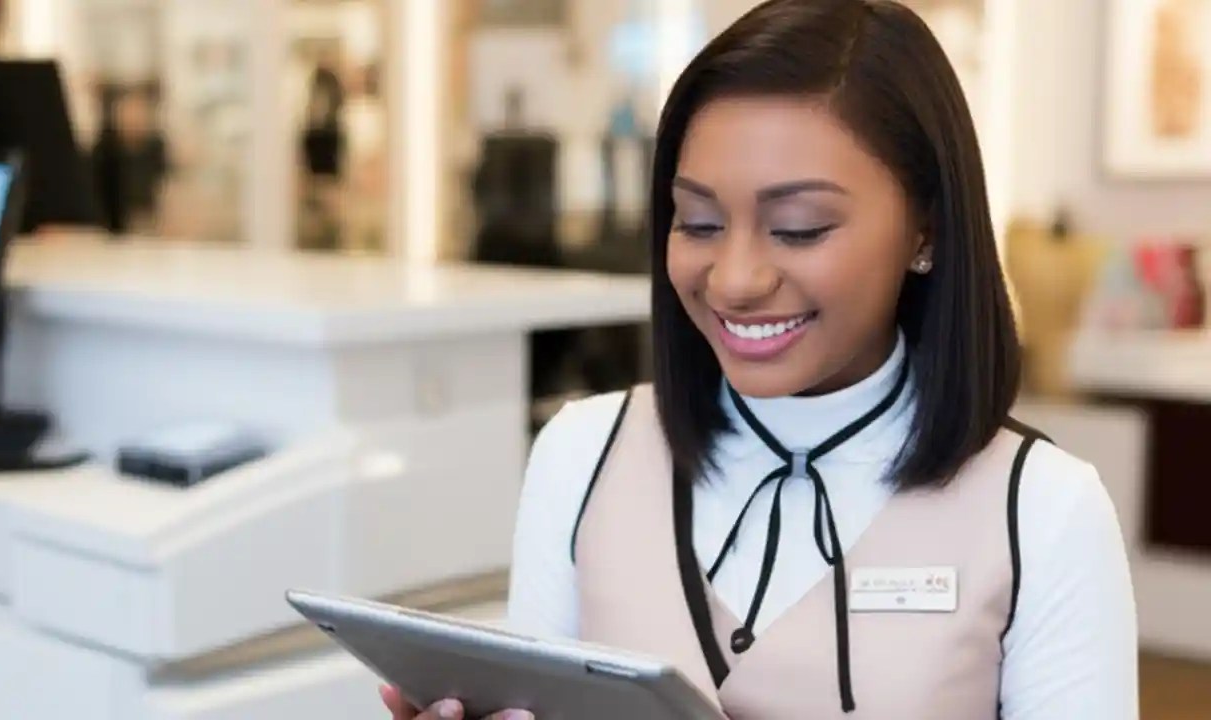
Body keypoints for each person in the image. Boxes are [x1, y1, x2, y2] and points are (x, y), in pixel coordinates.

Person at [381, 1, 1137, 718]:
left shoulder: (1044, 512)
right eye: (699, 222)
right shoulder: (581, 458)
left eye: (799, 228)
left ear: (927, 232)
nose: (735, 280)